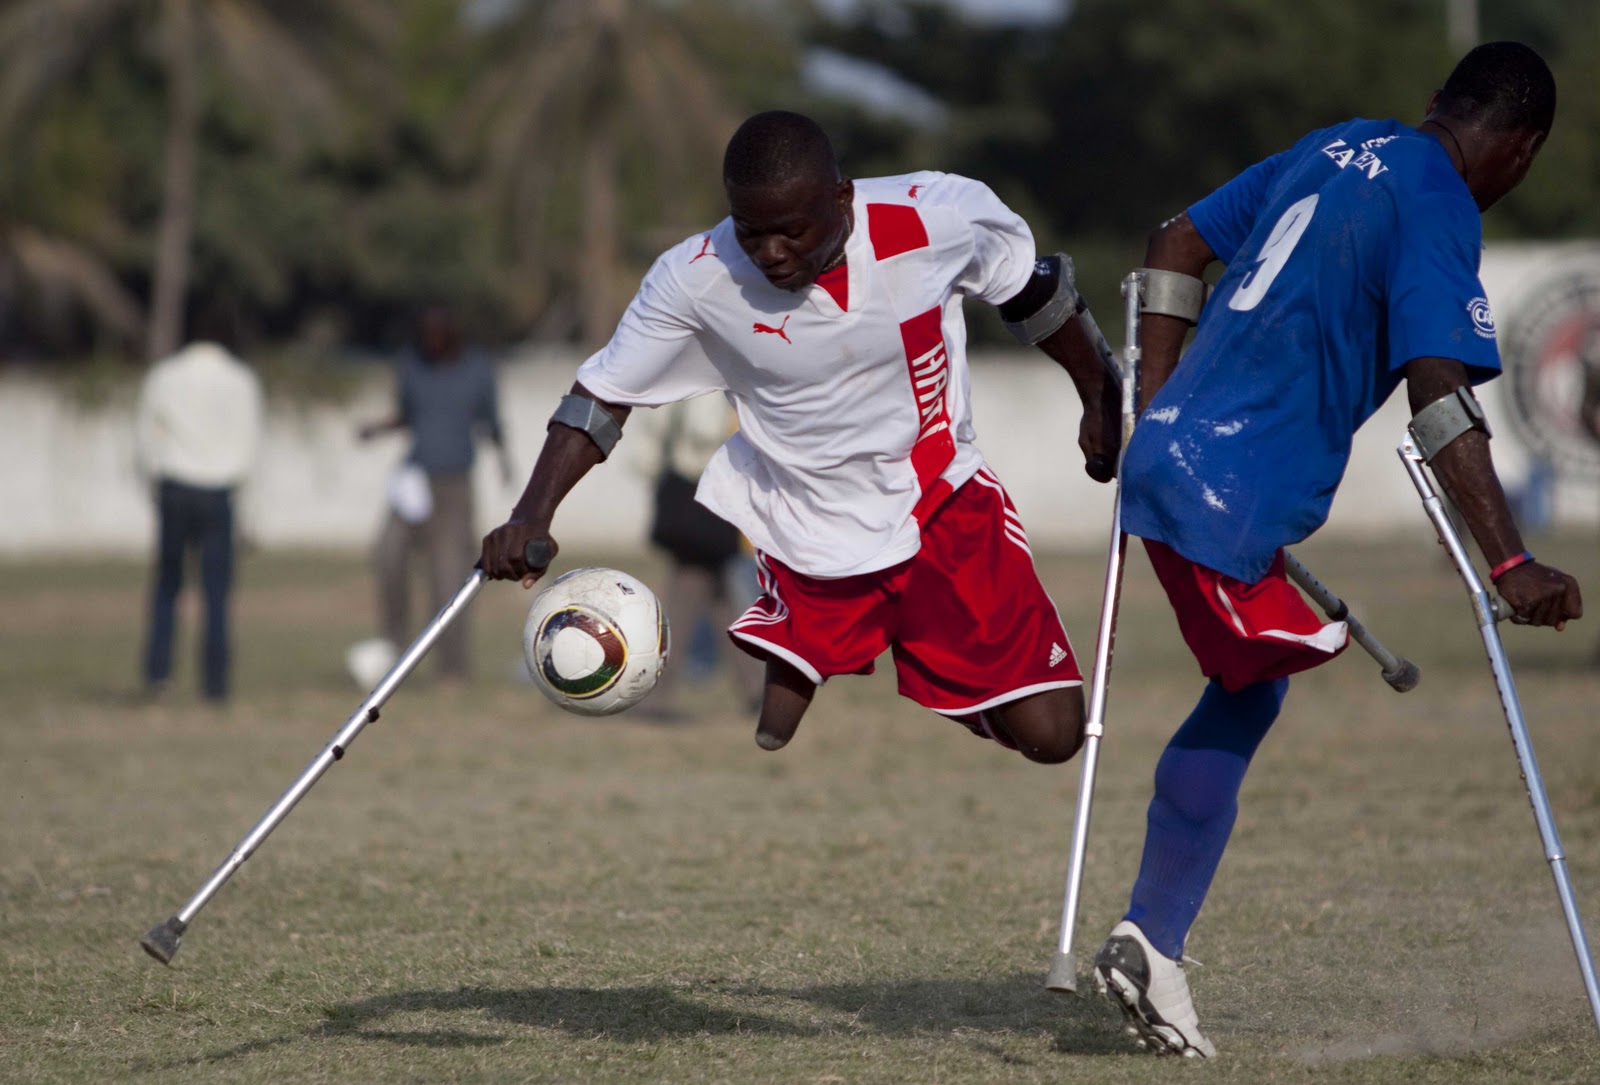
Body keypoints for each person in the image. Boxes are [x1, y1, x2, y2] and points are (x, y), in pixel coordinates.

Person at [1090, 42, 1582, 1058]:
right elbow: (1439, 396)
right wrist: (1506, 564)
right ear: (1522, 152)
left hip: (1181, 463)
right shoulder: (1438, 203)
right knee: (1252, 681)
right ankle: (1152, 936)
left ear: (1433, 101)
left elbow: (1172, 243)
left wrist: (1158, 407)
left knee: (1251, 682)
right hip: (1226, 490)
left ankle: (1155, 936)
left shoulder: (1336, 142)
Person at [481, 110, 1122, 762]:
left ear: (842, 198)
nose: (770, 253)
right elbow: (602, 397)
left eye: (792, 230)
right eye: (751, 231)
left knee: (1053, 737)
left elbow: (1032, 288)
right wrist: (532, 513)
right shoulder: (695, 278)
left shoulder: (935, 216)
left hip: (943, 492)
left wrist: (1097, 392)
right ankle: (804, 654)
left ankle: (880, 656)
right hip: (806, 512)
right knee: (776, 730)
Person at [359, 306, 510, 682]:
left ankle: (453, 668)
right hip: (413, 479)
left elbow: (491, 420)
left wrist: (506, 462)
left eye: (436, 336)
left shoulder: (477, 368)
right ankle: (394, 649)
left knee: (448, 574)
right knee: (387, 554)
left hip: (454, 484)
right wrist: (377, 429)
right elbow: (408, 415)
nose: (430, 343)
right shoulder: (411, 364)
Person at [135, 304, 265, 703]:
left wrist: (154, 489)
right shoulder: (241, 380)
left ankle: (159, 676)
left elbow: (146, 439)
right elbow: (251, 447)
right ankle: (215, 683)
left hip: (175, 489)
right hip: (219, 493)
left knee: (167, 586)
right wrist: (252, 514)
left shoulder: (165, 376)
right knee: (216, 591)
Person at [636, 395, 764, 719]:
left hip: (703, 500)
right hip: (706, 500)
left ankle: (658, 696)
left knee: (687, 602)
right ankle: (757, 690)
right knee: (720, 601)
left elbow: (697, 430)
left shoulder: (698, 384)